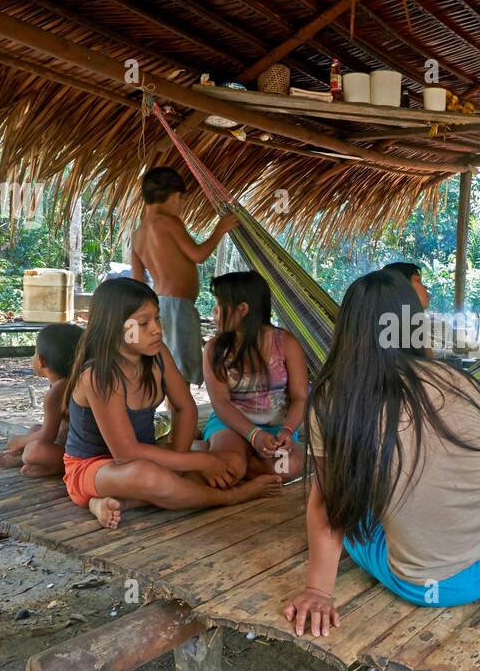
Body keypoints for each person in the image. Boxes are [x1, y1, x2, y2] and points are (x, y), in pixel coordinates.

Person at [284, 271, 480, 638]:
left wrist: (318, 591)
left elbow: (328, 506)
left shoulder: (334, 401)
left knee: (356, 516)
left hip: (436, 586)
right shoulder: (461, 381)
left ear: (347, 328)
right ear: (416, 323)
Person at [62, 277, 277, 530]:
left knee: (230, 463)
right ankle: (228, 497)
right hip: (93, 468)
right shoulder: (99, 375)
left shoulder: (157, 355)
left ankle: (118, 501)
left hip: (145, 456)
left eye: (157, 319)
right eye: (143, 323)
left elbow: (185, 408)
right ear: (115, 327)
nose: (156, 329)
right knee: (149, 476)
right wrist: (198, 463)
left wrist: (179, 455)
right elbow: (126, 454)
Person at [130, 166, 238, 385]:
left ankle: (173, 414)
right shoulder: (170, 222)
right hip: (178, 306)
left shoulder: (138, 234)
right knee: (181, 374)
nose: (181, 205)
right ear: (174, 196)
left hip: (158, 306)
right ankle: (178, 415)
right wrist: (221, 228)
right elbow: (198, 255)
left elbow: (136, 281)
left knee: (169, 367)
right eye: (181, 199)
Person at [202, 271, 308, 482]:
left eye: (219, 304)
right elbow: (221, 403)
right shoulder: (215, 348)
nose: (214, 311)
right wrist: (253, 435)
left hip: (277, 428)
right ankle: (233, 454)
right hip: (231, 424)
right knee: (230, 468)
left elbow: (300, 398)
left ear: (242, 309)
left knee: (286, 468)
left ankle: (222, 456)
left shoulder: (286, 343)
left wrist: (287, 431)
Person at [0, 323, 83, 477]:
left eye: (34, 353)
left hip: (75, 455)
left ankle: (51, 466)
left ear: (42, 361)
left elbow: (47, 436)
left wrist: (20, 441)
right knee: (35, 428)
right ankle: (27, 459)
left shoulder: (58, 390)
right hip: (66, 445)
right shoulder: (72, 381)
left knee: (33, 450)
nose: (32, 357)